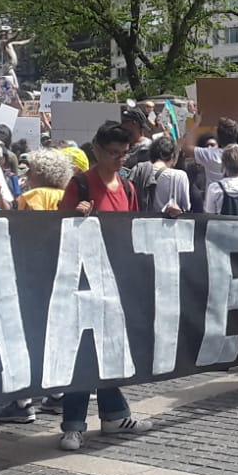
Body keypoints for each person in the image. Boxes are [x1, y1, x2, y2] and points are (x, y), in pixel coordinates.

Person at [55, 122, 153, 449]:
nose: (119, 160)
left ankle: (114, 414)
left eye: (123, 154)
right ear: (96, 150)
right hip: (83, 280)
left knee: (108, 351)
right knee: (84, 351)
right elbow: (56, 226)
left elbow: (135, 227)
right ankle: (73, 424)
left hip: (115, 279)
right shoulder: (80, 184)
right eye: (112, 154)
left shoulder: (127, 187)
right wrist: (74, 212)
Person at [131, 135, 193, 215]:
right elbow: (186, 207)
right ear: (172, 155)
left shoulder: (137, 170)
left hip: (142, 223)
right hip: (168, 225)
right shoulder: (180, 176)